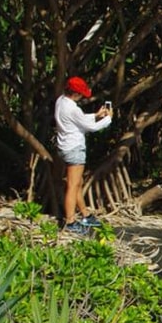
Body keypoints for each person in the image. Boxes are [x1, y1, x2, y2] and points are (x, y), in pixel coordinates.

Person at [55, 75, 112, 234]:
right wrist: (108, 119)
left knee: (78, 182)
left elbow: (78, 119)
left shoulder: (60, 101)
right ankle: (70, 222)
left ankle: (86, 214)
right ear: (76, 93)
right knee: (73, 186)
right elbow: (91, 128)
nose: (81, 97)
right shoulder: (73, 108)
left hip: (64, 147)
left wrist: (95, 115)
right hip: (74, 149)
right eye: (81, 94)